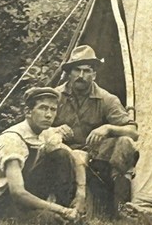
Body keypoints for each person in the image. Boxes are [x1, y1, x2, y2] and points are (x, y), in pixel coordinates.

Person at [0, 87, 85, 225]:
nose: (49, 115)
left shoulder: (43, 132)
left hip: (21, 195)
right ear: (28, 112)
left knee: (61, 155)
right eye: (43, 108)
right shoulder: (12, 140)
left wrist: (81, 194)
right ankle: (63, 215)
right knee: (52, 222)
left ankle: (71, 212)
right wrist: (60, 210)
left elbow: (75, 156)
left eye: (53, 109)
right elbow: (17, 193)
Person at [52, 45, 139, 213]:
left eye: (87, 71)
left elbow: (133, 132)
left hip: (95, 157)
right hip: (63, 154)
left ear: (94, 75)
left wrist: (108, 128)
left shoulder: (106, 99)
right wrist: (54, 131)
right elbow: (35, 128)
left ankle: (119, 206)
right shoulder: (55, 97)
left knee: (125, 142)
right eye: (77, 70)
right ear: (69, 73)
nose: (81, 76)